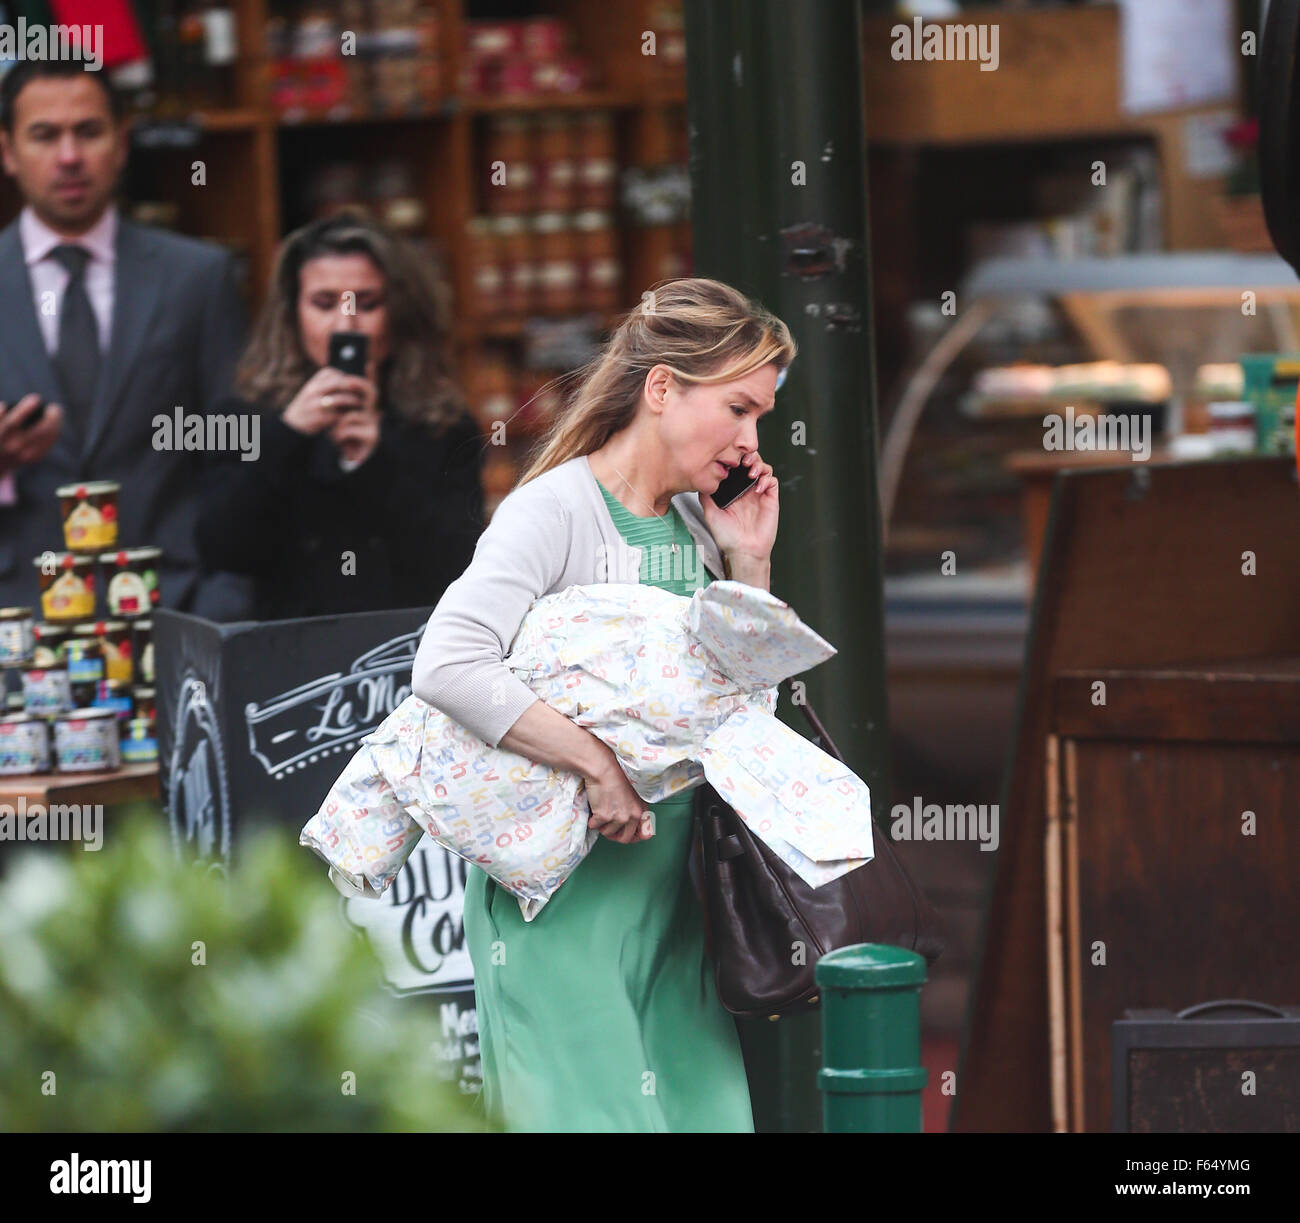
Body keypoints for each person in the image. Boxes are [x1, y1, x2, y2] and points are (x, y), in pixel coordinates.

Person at [410, 277, 794, 1132]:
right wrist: (595, 764)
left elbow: (745, 722)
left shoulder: (701, 525)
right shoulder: (551, 510)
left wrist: (750, 563)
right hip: (563, 893)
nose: (750, 440)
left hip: (679, 892)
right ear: (662, 388)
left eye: (760, 416)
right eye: (737, 408)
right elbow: (446, 663)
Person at [0, 60, 251, 618]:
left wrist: (223, 606)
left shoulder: (197, 278)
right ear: (8, 151)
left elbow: (235, 457)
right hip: (16, 624)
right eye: (45, 135)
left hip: (170, 611)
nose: (69, 156)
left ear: (121, 144)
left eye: (88, 132)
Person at [196, 211, 484, 620]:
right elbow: (222, 549)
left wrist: (373, 464)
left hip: (399, 657)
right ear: (292, 313)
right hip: (285, 657)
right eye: (324, 303)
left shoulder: (440, 421)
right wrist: (289, 433)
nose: (345, 324)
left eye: (366, 304)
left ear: (398, 313)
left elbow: (458, 565)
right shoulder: (246, 415)